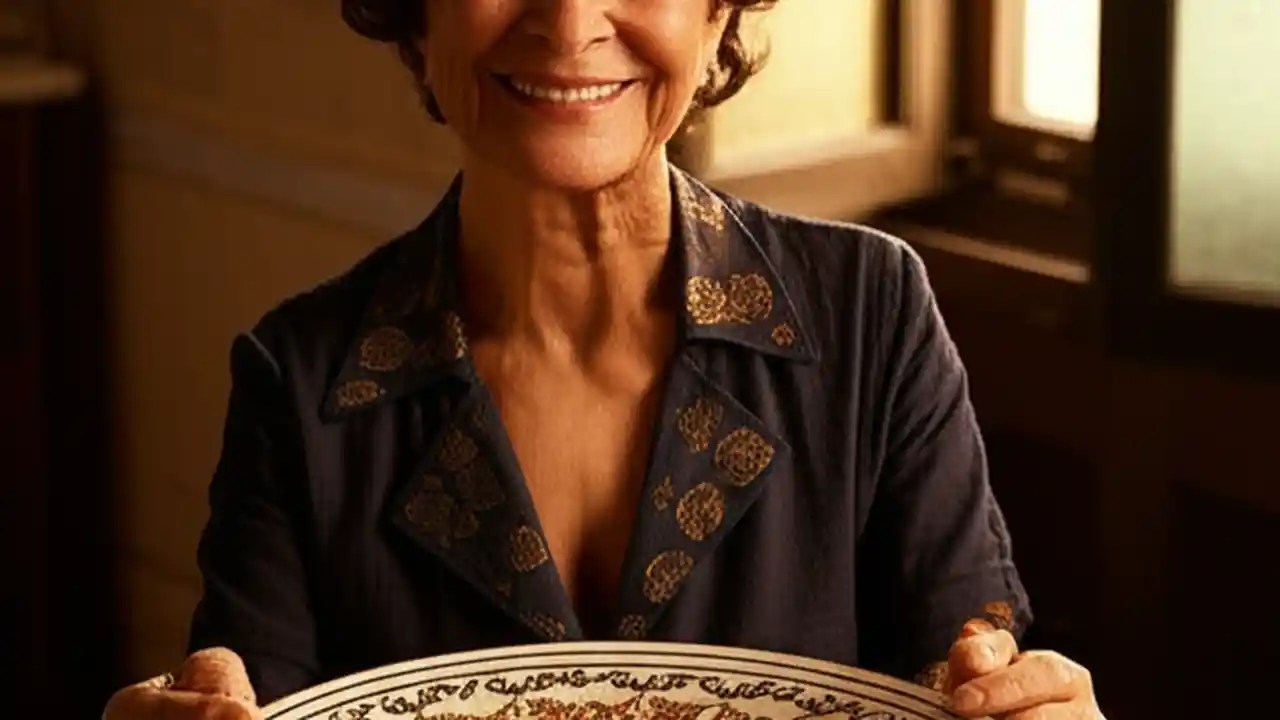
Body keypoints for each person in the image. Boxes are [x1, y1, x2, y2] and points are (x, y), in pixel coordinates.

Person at [104, 1, 1105, 718]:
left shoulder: (868, 315)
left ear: (720, 13)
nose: (570, 20)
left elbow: (959, 676)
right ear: (414, 17)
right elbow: (247, 699)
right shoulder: (301, 380)